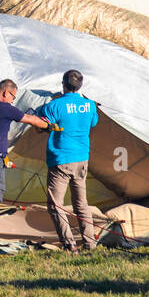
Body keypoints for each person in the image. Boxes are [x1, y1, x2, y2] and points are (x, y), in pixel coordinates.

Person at [0, 79, 49, 253]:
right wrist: (49, 125)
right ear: (5, 92)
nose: (13, 100)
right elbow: (30, 119)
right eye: (13, 96)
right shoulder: (4, 108)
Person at [41, 70, 100, 252]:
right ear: (81, 86)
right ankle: (90, 243)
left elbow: (42, 121)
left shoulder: (55, 105)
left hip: (61, 159)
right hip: (82, 159)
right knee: (81, 204)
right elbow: (93, 123)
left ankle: (69, 244)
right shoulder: (90, 105)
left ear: (63, 84)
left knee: (55, 204)